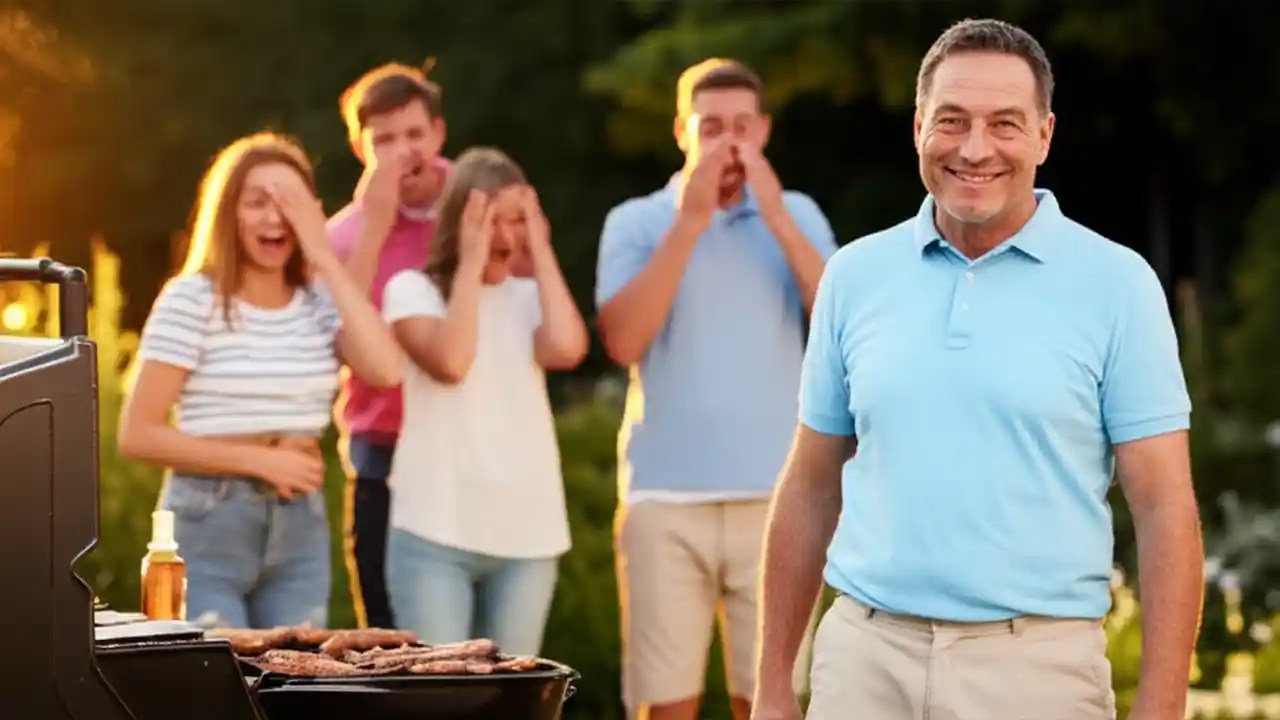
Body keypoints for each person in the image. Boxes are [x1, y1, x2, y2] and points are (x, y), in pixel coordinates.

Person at [752, 18, 1203, 720]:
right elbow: (810, 486)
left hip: (1038, 674)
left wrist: (1163, 706)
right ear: (918, 128)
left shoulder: (1118, 284)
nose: (974, 148)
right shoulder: (853, 276)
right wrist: (773, 684)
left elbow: (1164, 505)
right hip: (863, 667)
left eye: (1005, 125)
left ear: (1045, 136)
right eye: (952, 121)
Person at [594, 58, 838, 720]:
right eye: (710, 128)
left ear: (762, 131)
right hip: (663, 503)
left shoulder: (802, 214)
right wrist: (689, 222)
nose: (728, 144)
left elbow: (839, 320)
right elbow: (623, 341)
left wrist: (778, 216)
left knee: (769, 703)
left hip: (778, 502)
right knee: (663, 706)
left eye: (741, 128)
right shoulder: (636, 221)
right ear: (681, 131)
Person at [118, 131, 404, 630]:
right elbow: (137, 433)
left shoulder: (317, 301)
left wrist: (323, 254)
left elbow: (385, 369)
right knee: (212, 689)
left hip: (299, 527)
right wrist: (260, 459)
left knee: (290, 690)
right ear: (228, 214)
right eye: (257, 203)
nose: (276, 218)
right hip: (208, 524)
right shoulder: (192, 299)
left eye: (289, 204)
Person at [381, 147, 587, 656]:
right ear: (460, 222)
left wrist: (540, 249)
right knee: (439, 699)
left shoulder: (527, 297)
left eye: (517, 220)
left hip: (527, 538)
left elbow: (566, 348)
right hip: (435, 532)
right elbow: (452, 362)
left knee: (514, 702)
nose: (505, 236)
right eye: (491, 221)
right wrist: (471, 264)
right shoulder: (412, 291)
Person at [327, 62, 451, 630]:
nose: (404, 152)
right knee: (388, 638)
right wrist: (376, 225)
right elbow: (336, 342)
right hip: (381, 454)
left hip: (463, 446)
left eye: (413, 135)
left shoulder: (477, 205)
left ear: (438, 134)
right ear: (359, 147)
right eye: (384, 141)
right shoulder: (342, 234)